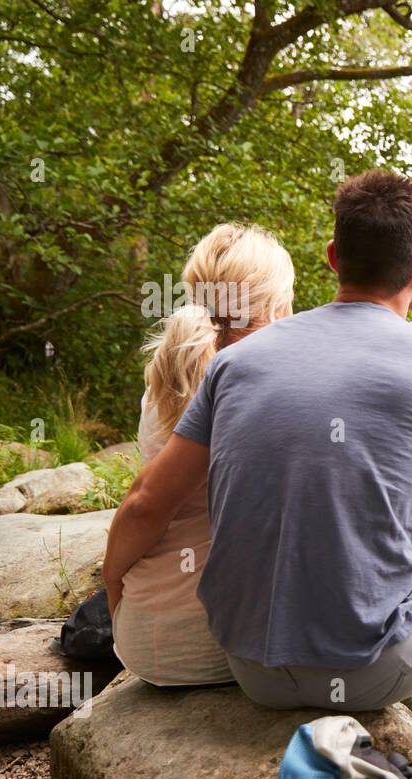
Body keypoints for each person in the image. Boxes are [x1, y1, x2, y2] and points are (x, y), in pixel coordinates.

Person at [102, 170, 412, 779]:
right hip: (373, 670)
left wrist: (113, 590)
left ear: (334, 258)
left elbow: (149, 497)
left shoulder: (234, 362)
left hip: (251, 670)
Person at [113, 223, 295, 686]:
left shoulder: (163, 382)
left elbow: (141, 512)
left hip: (144, 642)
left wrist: (113, 594)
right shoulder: (279, 390)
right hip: (231, 645)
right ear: (275, 308)